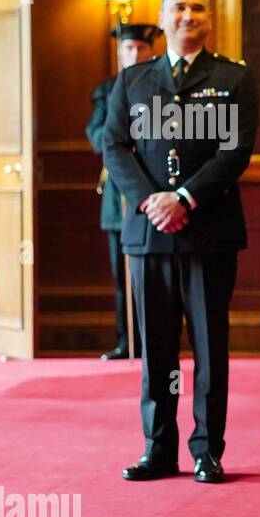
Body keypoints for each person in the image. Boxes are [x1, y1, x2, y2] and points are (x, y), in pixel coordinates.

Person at [102, 0, 258, 485]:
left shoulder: (233, 77)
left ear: (208, 18)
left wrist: (185, 198)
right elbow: (114, 146)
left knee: (210, 347)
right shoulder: (133, 80)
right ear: (163, 17)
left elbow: (234, 152)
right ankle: (158, 449)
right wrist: (152, 201)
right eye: (178, 8)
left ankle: (208, 450)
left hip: (208, 230)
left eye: (197, 8)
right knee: (157, 348)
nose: (188, 16)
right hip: (149, 232)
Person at [86, 22, 159, 360]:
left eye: (141, 48)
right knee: (122, 276)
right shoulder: (107, 91)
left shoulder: (161, 85)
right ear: (119, 53)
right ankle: (126, 340)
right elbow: (97, 136)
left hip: (156, 190)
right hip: (118, 194)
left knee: (154, 275)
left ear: (151, 52)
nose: (134, 54)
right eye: (128, 49)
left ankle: (153, 341)